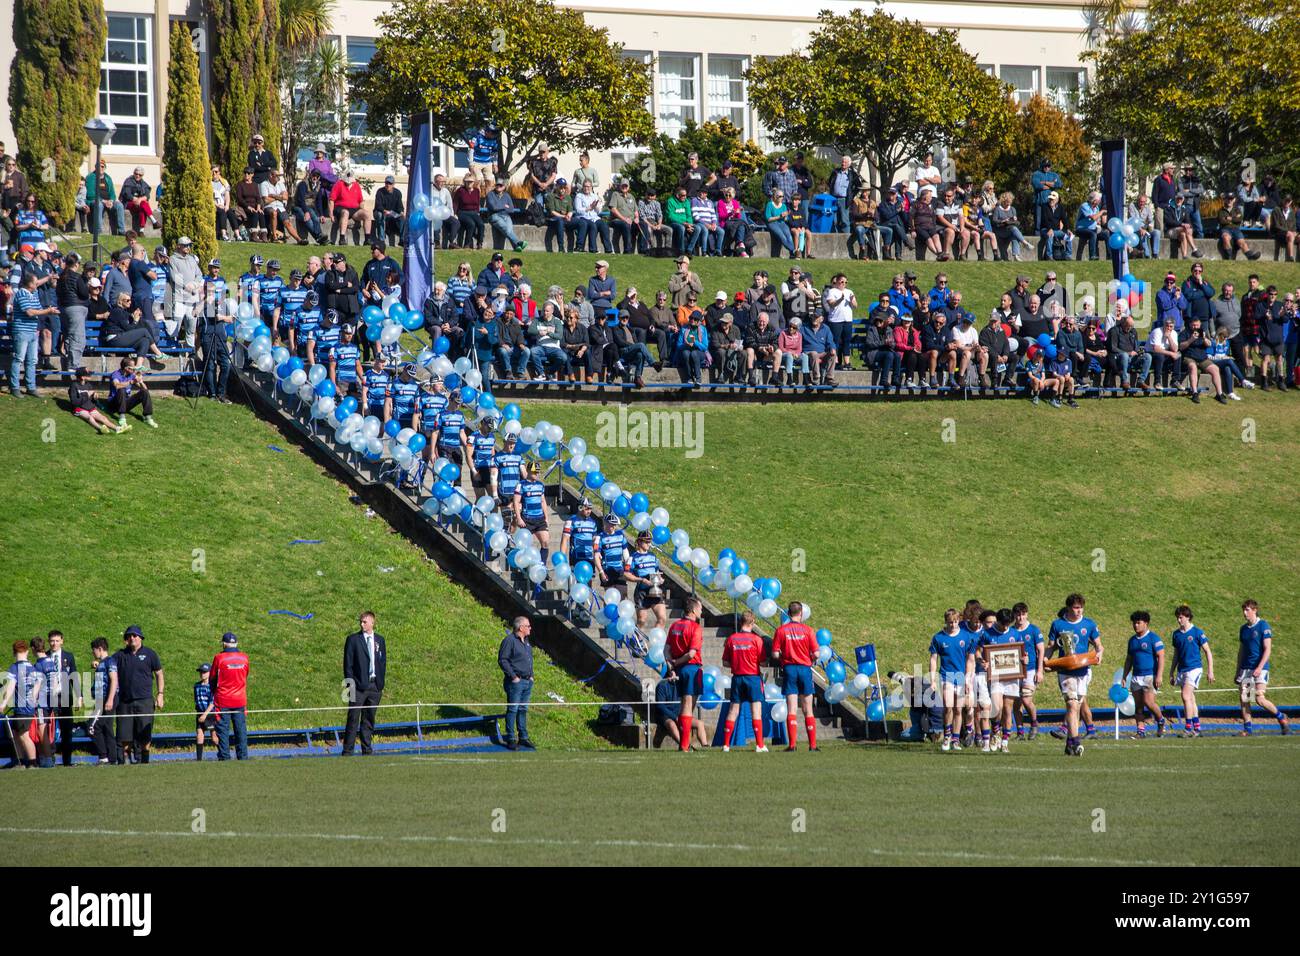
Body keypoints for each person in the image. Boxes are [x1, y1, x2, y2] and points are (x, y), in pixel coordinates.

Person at [1045, 594, 1103, 756]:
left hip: (1084, 671)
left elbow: (1099, 646)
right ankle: (1076, 742)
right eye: (1076, 608)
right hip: (1065, 671)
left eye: (1081, 608)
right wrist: (1046, 661)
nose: (1079, 611)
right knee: (1071, 704)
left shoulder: (1089, 624)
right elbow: (1051, 646)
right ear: (1069, 608)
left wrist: (1099, 655)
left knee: (1076, 706)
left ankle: (1069, 743)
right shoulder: (1058, 624)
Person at [106, 625, 164, 764]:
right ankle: (127, 763)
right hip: (125, 702)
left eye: (135, 636)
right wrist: (98, 662)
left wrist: (160, 693)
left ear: (141, 638)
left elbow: (159, 674)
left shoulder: (150, 654)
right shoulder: (120, 655)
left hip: (144, 701)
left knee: (144, 736)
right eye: (129, 636)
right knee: (125, 736)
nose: (132, 638)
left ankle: (144, 762)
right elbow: (107, 662)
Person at [1236, 600, 1289, 736]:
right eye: (1243, 610)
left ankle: (1281, 717)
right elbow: (1241, 651)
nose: (1244, 613)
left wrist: (1259, 667)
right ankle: (1247, 729)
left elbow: (1267, 649)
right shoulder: (1243, 629)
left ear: (1255, 610)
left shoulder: (1263, 626)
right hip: (1246, 668)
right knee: (1245, 698)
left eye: (1247, 610)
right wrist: (1238, 670)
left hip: (1260, 667)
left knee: (1259, 698)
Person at [771, 601, 819, 752]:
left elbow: (775, 653)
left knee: (792, 708)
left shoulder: (781, 630)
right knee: (808, 709)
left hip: (790, 669)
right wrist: (812, 658)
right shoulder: (808, 630)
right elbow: (816, 653)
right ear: (801, 613)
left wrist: (783, 657)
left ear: (788, 613)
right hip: (805, 669)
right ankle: (812, 745)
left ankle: (792, 745)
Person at [720, 611, 769, 753]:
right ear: (752, 622)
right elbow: (763, 662)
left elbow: (725, 662)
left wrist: (736, 664)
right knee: (756, 711)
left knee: (733, 711)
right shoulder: (757, 640)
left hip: (737, 678)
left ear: (741, 622)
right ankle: (759, 745)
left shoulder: (732, 639)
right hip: (753, 678)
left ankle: (726, 745)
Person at [342, 611, 386, 755]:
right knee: (353, 718)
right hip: (357, 687)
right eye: (360, 622)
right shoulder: (353, 640)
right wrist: (350, 687)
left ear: (372, 623)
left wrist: (380, 684)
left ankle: (367, 749)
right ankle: (348, 750)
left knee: (369, 719)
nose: (361, 624)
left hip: (375, 686)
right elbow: (347, 665)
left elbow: (382, 662)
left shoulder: (380, 640)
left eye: (364, 622)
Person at [664, 597, 705, 751]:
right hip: (690, 669)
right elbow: (691, 653)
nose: (701, 611)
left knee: (684, 706)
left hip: (679, 669)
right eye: (700, 609)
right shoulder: (694, 628)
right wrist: (676, 663)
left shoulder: (674, 625)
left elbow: (666, 649)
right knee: (688, 706)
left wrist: (671, 665)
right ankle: (684, 745)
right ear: (693, 610)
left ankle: (685, 743)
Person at [1169, 605, 1214, 738]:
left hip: (1194, 669)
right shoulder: (1176, 634)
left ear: (1188, 617)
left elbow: (1208, 651)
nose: (1178, 620)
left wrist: (1210, 670)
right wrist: (1171, 672)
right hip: (1182, 670)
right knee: (1191, 699)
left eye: (1181, 617)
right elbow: (1176, 655)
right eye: (1177, 617)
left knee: (1185, 696)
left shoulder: (1197, 632)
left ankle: (1188, 728)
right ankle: (1197, 728)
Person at [929, 609, 970, 752]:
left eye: (955, 621)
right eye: (950, 622)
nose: (953, 625)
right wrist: (933, 680)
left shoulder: (965, 636)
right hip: (946, 676)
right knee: (948, 706)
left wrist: (968, 679)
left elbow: (970, 660)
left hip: (961, 677)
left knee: (958, 709)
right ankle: (947, 736)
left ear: (959, 621)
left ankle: (956, 739)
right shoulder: (938, 638)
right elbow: (933, 659)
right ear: (945, 621)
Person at [1123, 611, 1167, 738]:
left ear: (1146, 624)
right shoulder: (1132, 641)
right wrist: (1124, 676)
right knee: (1138, 706)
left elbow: (1161, 656)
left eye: (1138, 623)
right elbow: (1129, 660)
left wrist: (1159, 675)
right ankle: (1140, 731)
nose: (1135, 625)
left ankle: (1161, 720)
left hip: (1149, 676)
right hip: (1136, 676)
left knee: (1149, 702)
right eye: (1134, 623)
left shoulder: (1154, 638)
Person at [8, 270, 53, 396]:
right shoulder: (21, 293)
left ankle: (31, 386)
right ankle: (15, 387)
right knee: (19, 359)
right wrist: (47, 311)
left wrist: (47, 311)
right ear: (29, 284)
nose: (37, 284)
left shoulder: (34, 294)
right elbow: (30, 312)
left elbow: (37, 309)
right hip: (22, 331)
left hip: (33, 331)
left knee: (32, 360)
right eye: (35, 282)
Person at [0, 639, 41, 769]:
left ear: (14, 652)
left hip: (22, 708)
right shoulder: (33, 667)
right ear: (27, 652)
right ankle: (21, 761)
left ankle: (32, 763)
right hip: (29, 707)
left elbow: (10, 687)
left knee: (24, 735)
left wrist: (4, 703)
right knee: (17, 733)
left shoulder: (14, 668)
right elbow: (38, 684)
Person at [211, 631, 250, 761]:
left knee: (222, 731)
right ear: (236, 643)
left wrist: (214, 692)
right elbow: (245, 675)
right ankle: (243, 757)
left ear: (224, 644)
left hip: (223, 700)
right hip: (240, 700)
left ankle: (225, 758)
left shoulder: (219, 658)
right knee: (241, 730)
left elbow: (212, 678)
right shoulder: (245, 658)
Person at [498, 617, 535, 751]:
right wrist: (514, 677)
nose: (530, 628)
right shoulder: (509, 641)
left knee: (523, 709)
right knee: (513, 709)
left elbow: (529, 660)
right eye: (528, 626)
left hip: (527, 681)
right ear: (521, 628)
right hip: (516, 682)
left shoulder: (526, 642)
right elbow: (503, 660)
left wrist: (531, 676)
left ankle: (523, 737)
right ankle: (511, 738)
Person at [652, 678, 710, 750]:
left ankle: (705, 746)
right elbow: (660, 706)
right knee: (671, 724)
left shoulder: (682, 685)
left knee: (700, 723)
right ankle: (686, 746)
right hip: (664, 716)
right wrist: (675, 717)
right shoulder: (662, 685)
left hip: (680, 715)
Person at [626, 530, 667, 631]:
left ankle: (655, 641)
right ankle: (636, 640)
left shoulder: (653, 556)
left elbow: (657, 572)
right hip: (642, 592)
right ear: (639, 542)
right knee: (642, 621)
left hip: (655, 591)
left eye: (650, 541)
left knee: (662, 619)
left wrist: (660, 579)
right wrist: (641, 579)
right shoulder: (632, 557)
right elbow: (626, 574)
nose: (649, 544)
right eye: (646, 541)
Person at [87, 638, 119, 764]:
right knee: (107, 728)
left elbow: (114, 680)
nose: (93, 653)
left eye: (93, 651)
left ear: (100, 649)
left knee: (92, 727)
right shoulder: (103, 663)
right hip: (102, 698)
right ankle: (112, 758)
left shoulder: (110, 661)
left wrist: (110, 699)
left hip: (107, 698)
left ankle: (103, 757)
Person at [106, 357, 159, 431]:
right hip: (114, 403)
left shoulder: (131, 375)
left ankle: (148, 418)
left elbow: (145, 389)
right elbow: (117, 385)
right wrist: (131, 382)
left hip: (125, 403)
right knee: (121, 389)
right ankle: (122, 418)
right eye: (133, 368)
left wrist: (140, 381)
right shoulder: (116, 374)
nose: (134, 370)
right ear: (126, 368)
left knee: (144, 392)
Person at [329, 170, 373, 245]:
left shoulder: (356, 185)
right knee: (345, 212)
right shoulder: (339, 184)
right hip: (340, 207)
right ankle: (342, 238)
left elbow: (361, 201)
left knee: (367, 214)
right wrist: (331, 214)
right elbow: (331, 200)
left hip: (354, 209)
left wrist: (362, 210)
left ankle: (367, 239)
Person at [193, 663, 218, 761]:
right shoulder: (197, 686)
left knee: (214, 737)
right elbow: (196, 699)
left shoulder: (212, 686)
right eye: (201, 672)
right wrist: (199, 712)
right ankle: (199, 760)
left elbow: (212, 702)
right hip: (200, 713)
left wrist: (205, 714)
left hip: (210, 714)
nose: (202, 674)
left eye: (204, 672)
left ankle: (223, 754)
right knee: (199, 735)